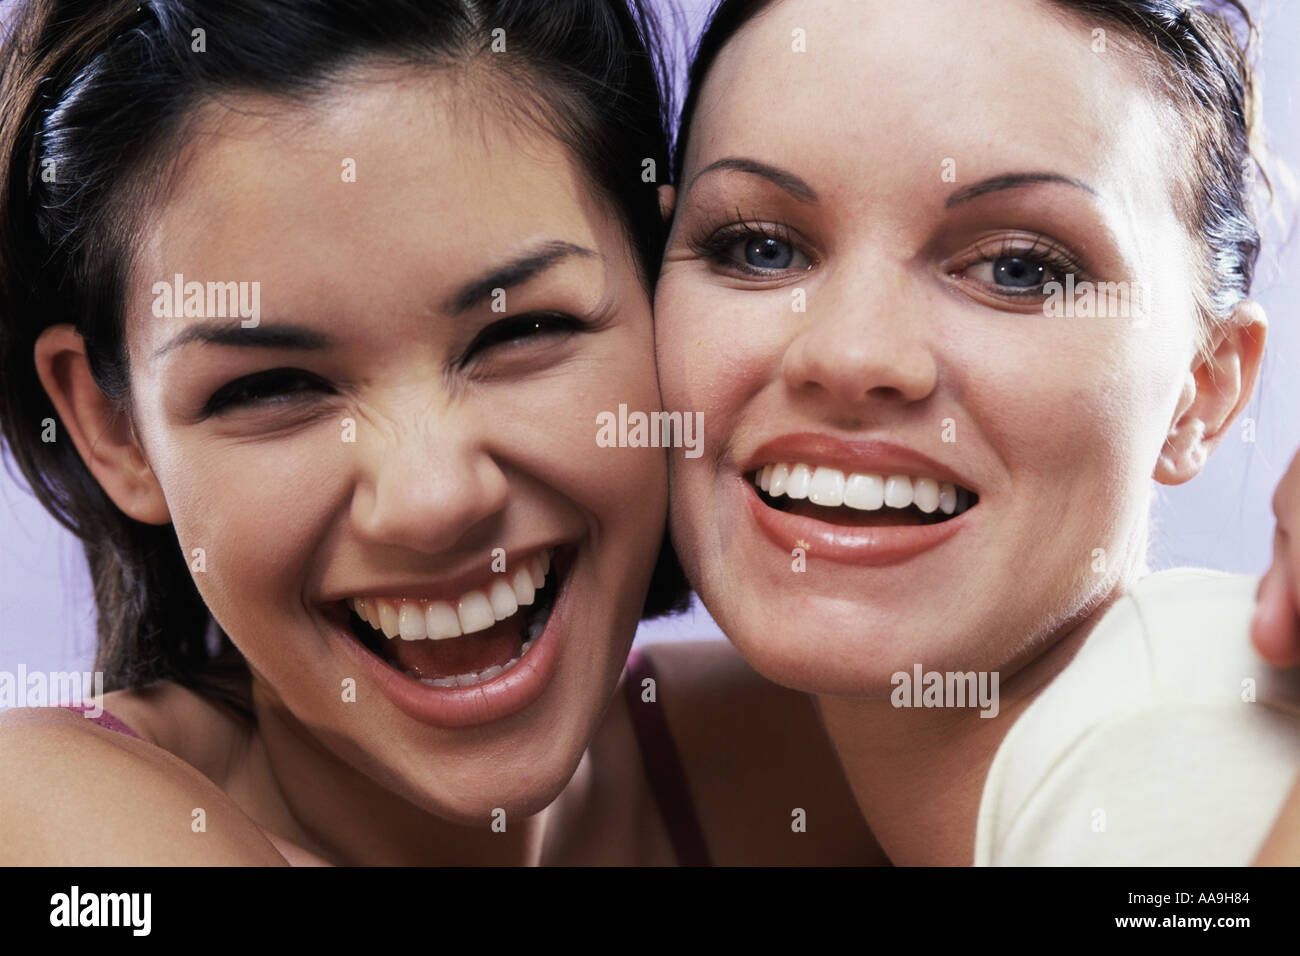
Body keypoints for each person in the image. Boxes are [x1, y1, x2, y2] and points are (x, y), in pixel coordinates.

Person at [0, 0, 876, 865]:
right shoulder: (45, 813)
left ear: (668, 294)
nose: (432, 500)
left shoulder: (836, 760)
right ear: (113, 429)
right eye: (273, 388)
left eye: (518, 333)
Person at [655, 0, 1300, 864]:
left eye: (1018, 269)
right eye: (760, 249)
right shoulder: (640, 752)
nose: (850, 354)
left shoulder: (1193, 798)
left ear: (1203, 391)